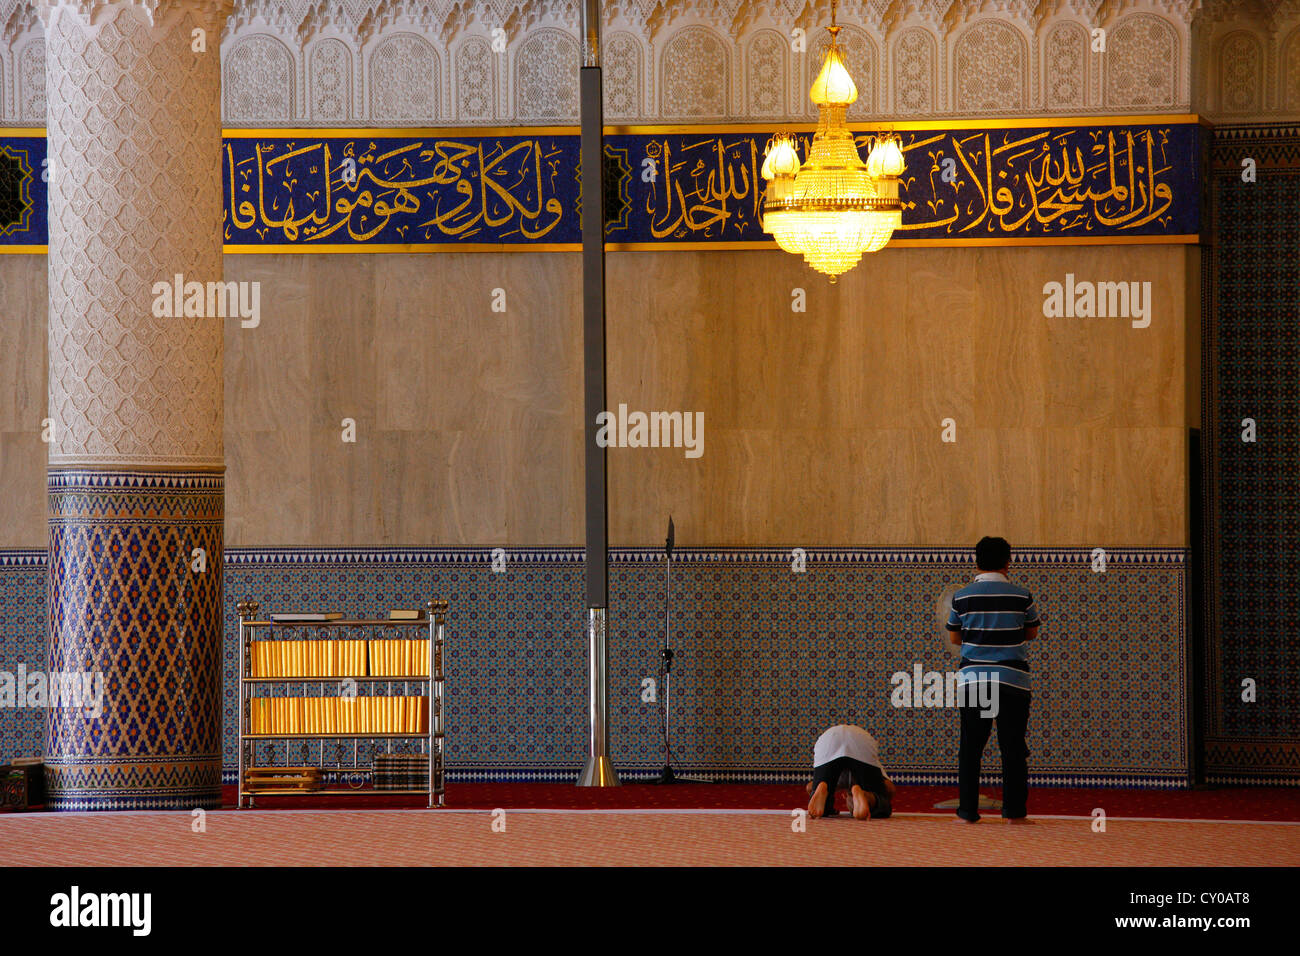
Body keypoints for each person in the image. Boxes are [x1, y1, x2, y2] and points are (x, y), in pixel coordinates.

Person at [945, 535, 1041, 824]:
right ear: (1007, 562)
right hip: (1013, 681)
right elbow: (1031, 633)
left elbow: (954, 637)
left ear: (976, 562)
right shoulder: (1022, 595)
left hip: (975, 681)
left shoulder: (961, 597)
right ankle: (1013, 812)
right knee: (1012, 747)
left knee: (971, 747)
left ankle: (967, 812)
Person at [805, 723, 895, 820]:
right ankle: (866, 797)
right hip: (860, 741)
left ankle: (825, 798)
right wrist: (878, 795)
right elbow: (890, 788)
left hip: (829, 739)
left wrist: (829, 787)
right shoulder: (874, 765)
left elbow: (809, 787)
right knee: (883, 808)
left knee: (821, 801)